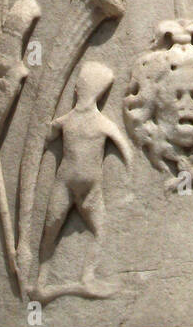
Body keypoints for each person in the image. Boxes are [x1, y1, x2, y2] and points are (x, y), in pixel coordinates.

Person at [38, 61, 131, 296]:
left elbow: (125, 150)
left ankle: (85, 277)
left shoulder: (99, 123)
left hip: (90, 190)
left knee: (98, 230)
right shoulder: (70, 121)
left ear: (81, 90)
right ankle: (41, 282)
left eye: (79, 86)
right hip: (65, 185)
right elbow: (46, 137)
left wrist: (129, 174)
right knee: (51, 230)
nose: (77, 90)